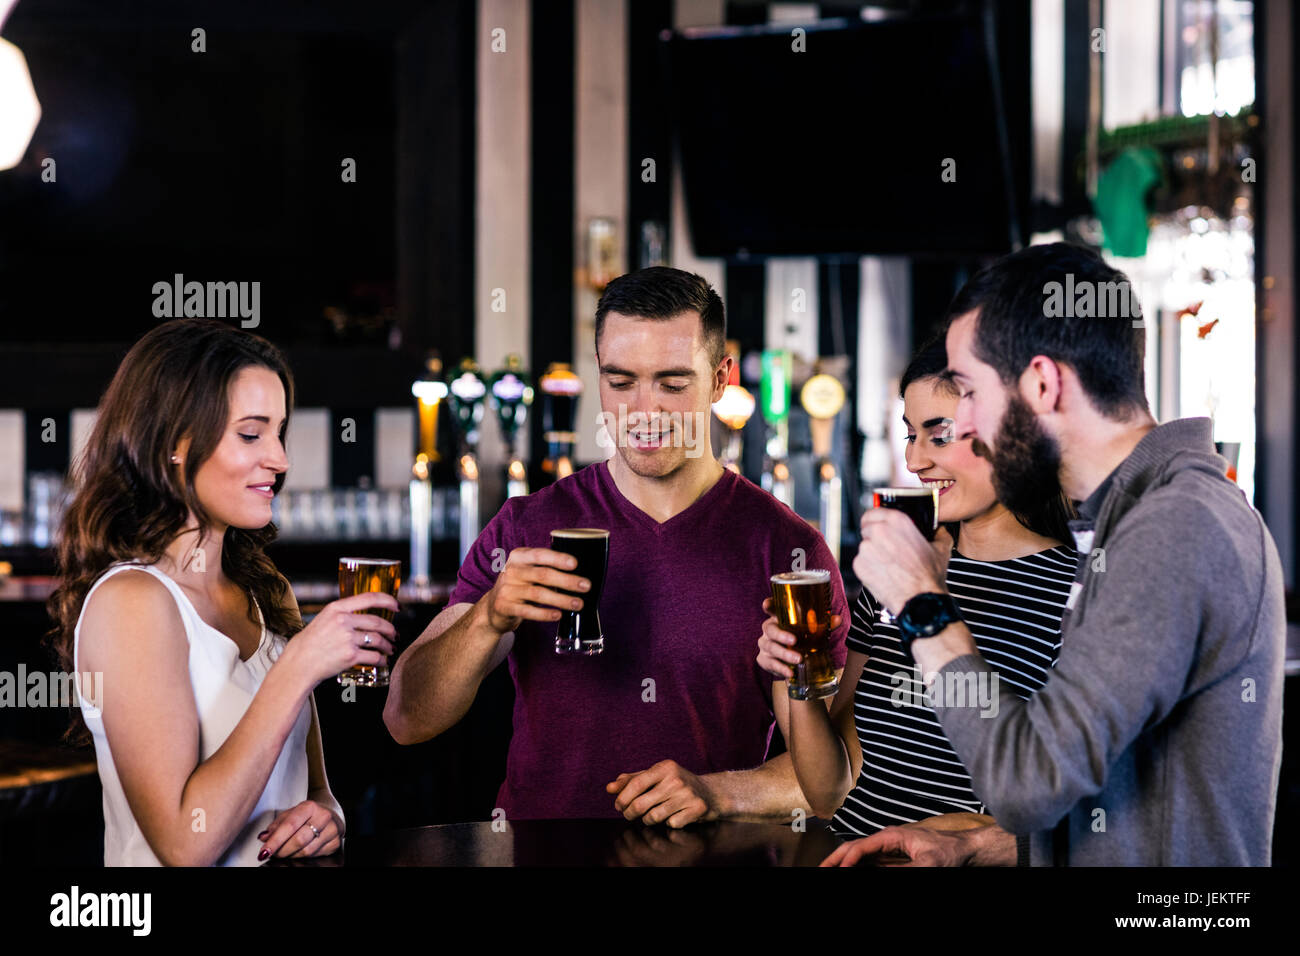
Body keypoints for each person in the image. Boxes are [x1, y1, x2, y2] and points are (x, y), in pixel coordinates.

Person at [854, 241, 1285, 865]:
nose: (965, 426)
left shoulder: (1175, 526)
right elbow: (1100, 776)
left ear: (1041, 383)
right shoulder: (1129, 516)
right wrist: (986, 846)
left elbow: (1023, 785)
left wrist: (922, 602)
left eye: (969, 392)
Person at [385, 267, 850, 823]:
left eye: (673, 384)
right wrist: (488, 617)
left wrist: (717, 793)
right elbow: (406, 719)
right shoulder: (527, 524)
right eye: (621, 381)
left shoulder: (788, 550)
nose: (644, 411)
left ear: (720, 379)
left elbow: (824, 780)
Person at [47, 319, 398, 866]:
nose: (279, 459)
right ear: (175, 445)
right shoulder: (132, 602)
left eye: (280, 432)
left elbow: (314, 791)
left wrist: (328, 819)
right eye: (252, 434)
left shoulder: (266, 589)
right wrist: (298, 666)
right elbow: (185, 845)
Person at [758, 336, 1077, 866]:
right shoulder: (892, 570)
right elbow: (829, 790)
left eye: (939, 433)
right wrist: (796, 677)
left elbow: (1093, 819)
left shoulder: (1075, 592)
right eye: (910, 434)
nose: (914, 458)